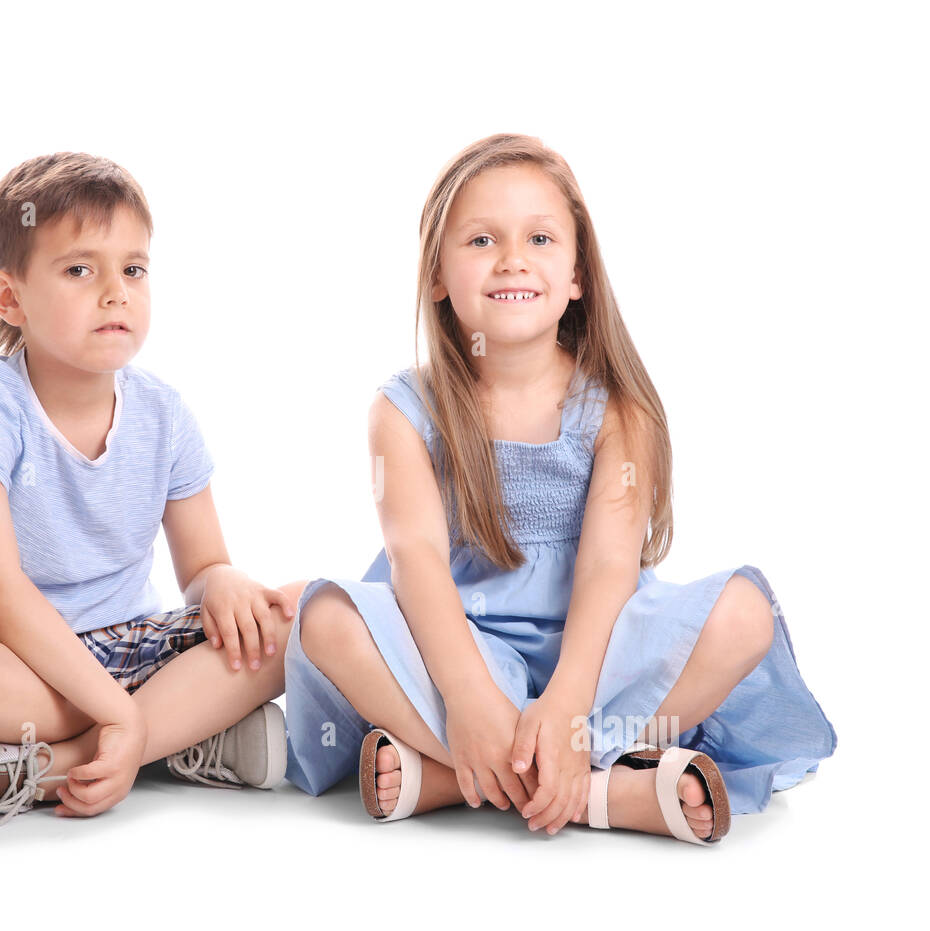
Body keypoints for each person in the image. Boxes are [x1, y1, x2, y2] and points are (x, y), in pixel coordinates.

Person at [282, 133, 837, 845]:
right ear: (437, 277)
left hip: (599, 659)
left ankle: (459, 778)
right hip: (462, 646)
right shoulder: (403, 410)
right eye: (482, 239)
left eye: (540, 237)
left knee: (745, 613)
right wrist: (470, 695)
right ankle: (602, 792)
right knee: (328, 617)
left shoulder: (615, 410)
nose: (513, 257)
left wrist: (571, 706)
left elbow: (609, 567)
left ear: (577, 274)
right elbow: (414, 557)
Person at [0, 152, 304, 829]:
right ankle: (173, 734)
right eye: (80, 269)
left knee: (302, 614)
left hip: (129, 648)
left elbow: (201, 567)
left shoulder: (165, 414)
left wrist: (222, 580)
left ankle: (41, 766)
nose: (116, 291)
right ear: (9, 296)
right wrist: (117, 710)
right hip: (12, 661)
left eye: (133, 270)